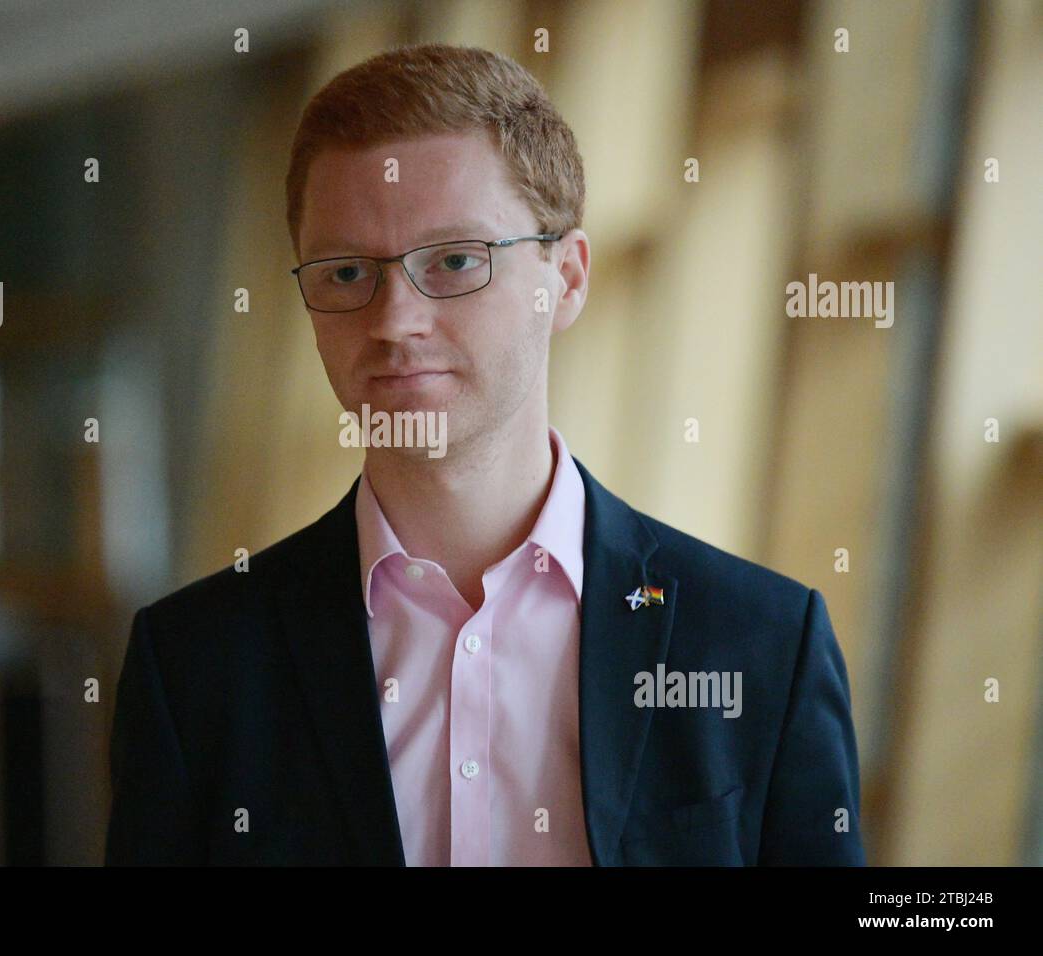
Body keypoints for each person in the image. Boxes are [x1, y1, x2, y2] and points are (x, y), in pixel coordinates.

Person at [105, 42, 865, 866]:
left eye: (456, 260)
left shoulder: (757, 643)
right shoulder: (195, 668)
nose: (395, 320)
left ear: (567, 277)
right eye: (348, 271)